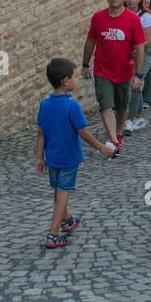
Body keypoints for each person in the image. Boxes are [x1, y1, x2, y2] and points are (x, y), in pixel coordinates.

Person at [36, 57, 115, 249]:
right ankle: (53, 235)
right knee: (63, 193)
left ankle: (67, 220)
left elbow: (40, 133)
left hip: (52, 157)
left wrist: (39, 157)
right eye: (75, 77)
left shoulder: (45, 105)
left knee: (58, 190)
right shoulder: (72, 106)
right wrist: (102, 148)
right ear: (65, 81)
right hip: (68, 158)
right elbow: (84, 133)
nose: (77, 80)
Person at [82, 0, 145, 155]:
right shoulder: (98, 18)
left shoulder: (133, 19)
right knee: (106, 105)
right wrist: (85, 64)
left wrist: (138, 75)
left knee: (122, 106)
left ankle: (118, 132)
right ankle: (113, 140)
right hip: (102, 70)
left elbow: (140, 47)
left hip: (124, 71)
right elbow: (90, 41)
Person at [124, 0, 151, 133]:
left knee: (135, 84)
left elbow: (149, 40)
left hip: (143, 55)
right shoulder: (122, 13)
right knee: (132, 85)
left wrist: (135, 49)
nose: (130, 0)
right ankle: (138, 115)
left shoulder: (146, 16)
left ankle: (131, 118)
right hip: (126, 55)